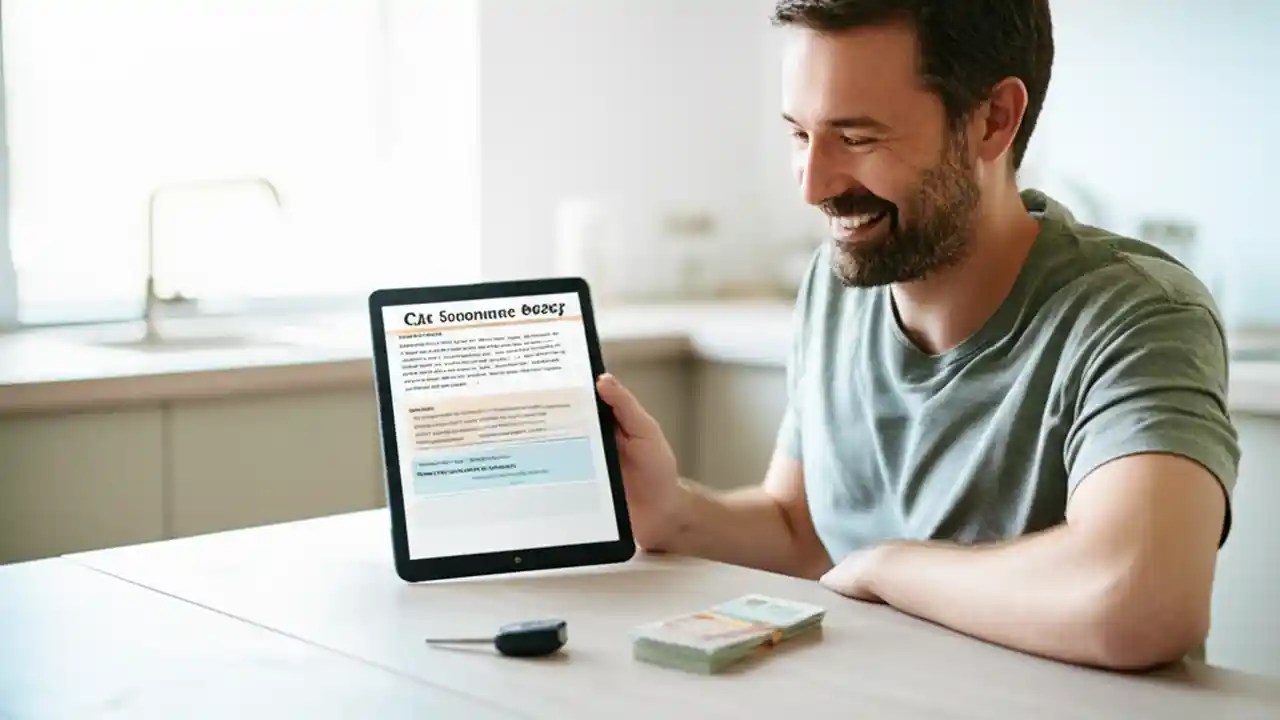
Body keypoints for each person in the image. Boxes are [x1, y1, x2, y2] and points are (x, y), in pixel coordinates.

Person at [595, 0, 1238, 671]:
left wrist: (889, 568)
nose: (813, 185)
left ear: (993, 120)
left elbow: (1140, 600)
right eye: (799, 134)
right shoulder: (836, 283)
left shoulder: (1138, 313)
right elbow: (801, 531)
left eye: (857, 139)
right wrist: (673, 512)